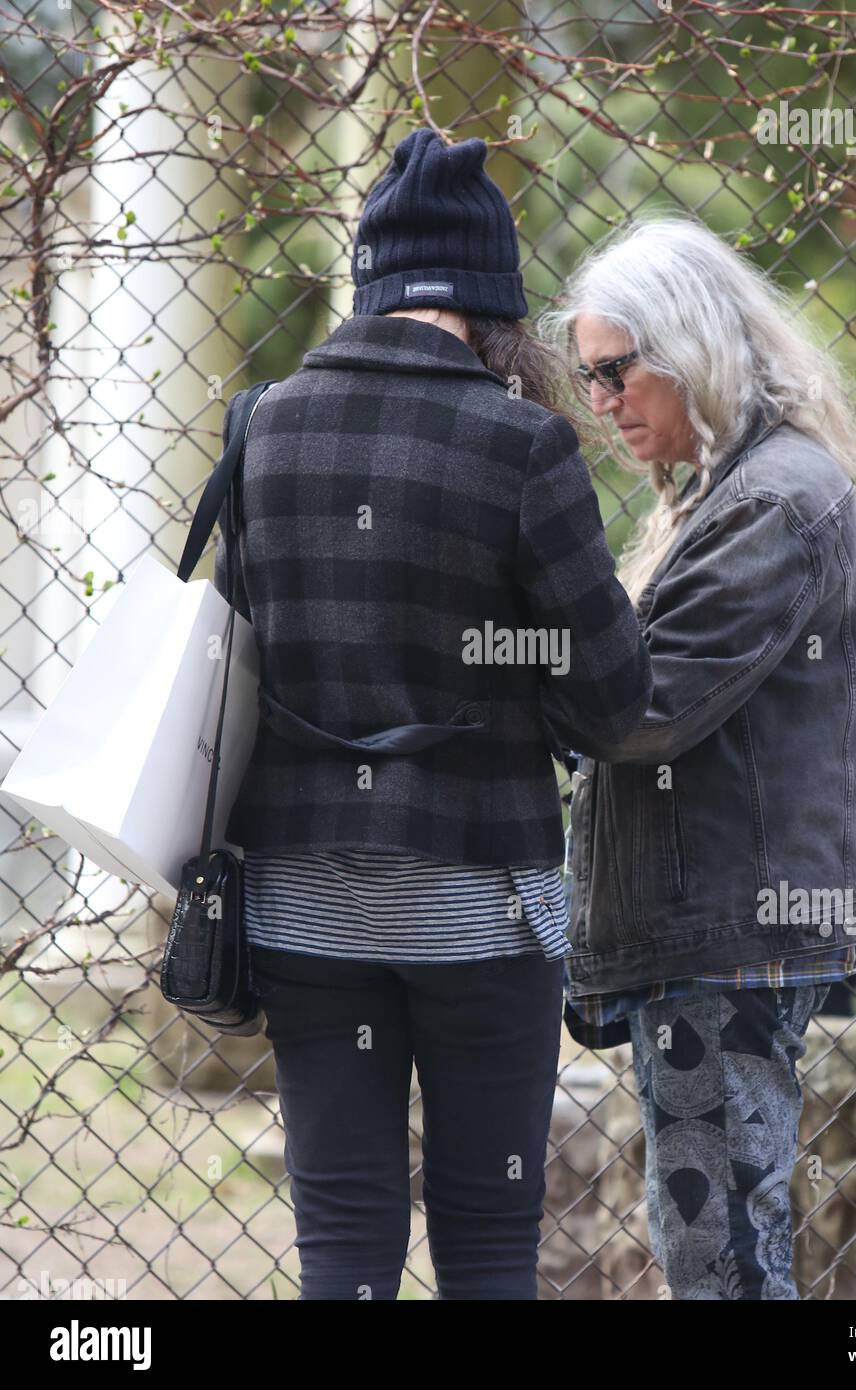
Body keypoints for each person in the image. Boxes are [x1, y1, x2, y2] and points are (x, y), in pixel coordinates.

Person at [211, 128, 653, 1300]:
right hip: (480, 909)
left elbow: (239, 642)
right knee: (487, 1233)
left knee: (344, 1236)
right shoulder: (522, 444)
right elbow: (613, 702)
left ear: (374, 281)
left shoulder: (262, 426)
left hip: (301, 896)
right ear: (492, 303)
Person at [539, 212, 856, 1300]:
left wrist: (529, 615)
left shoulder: (771, 499)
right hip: (721, 925)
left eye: (615, 371)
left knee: (720, 1258)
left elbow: (640, 707)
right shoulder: (741, 490)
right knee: (722, 1248)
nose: (600, 402)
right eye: (586, 377)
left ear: (689, 347)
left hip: (727, 932)